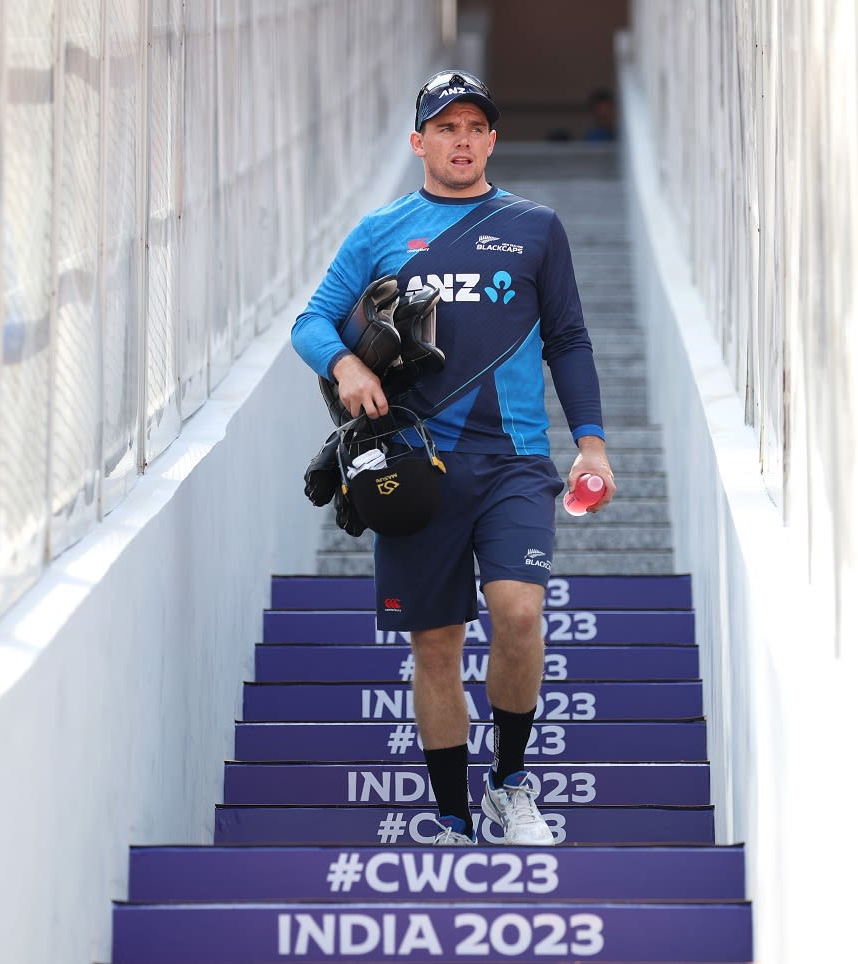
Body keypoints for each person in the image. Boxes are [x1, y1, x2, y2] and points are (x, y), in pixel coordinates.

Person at [291, 69, 615, 846]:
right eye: (445, 127)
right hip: (413, 464)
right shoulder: (380, 231)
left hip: (515, 461)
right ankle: (449, 817)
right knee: (436, 646)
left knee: (519, 612)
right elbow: (311, 321)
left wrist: (591, 442)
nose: (461, 140)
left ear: (492, 140)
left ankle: (509, 787)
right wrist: (347, 365)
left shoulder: (535, 226)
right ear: (419, 142)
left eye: (474, 127)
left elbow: (567, 339)